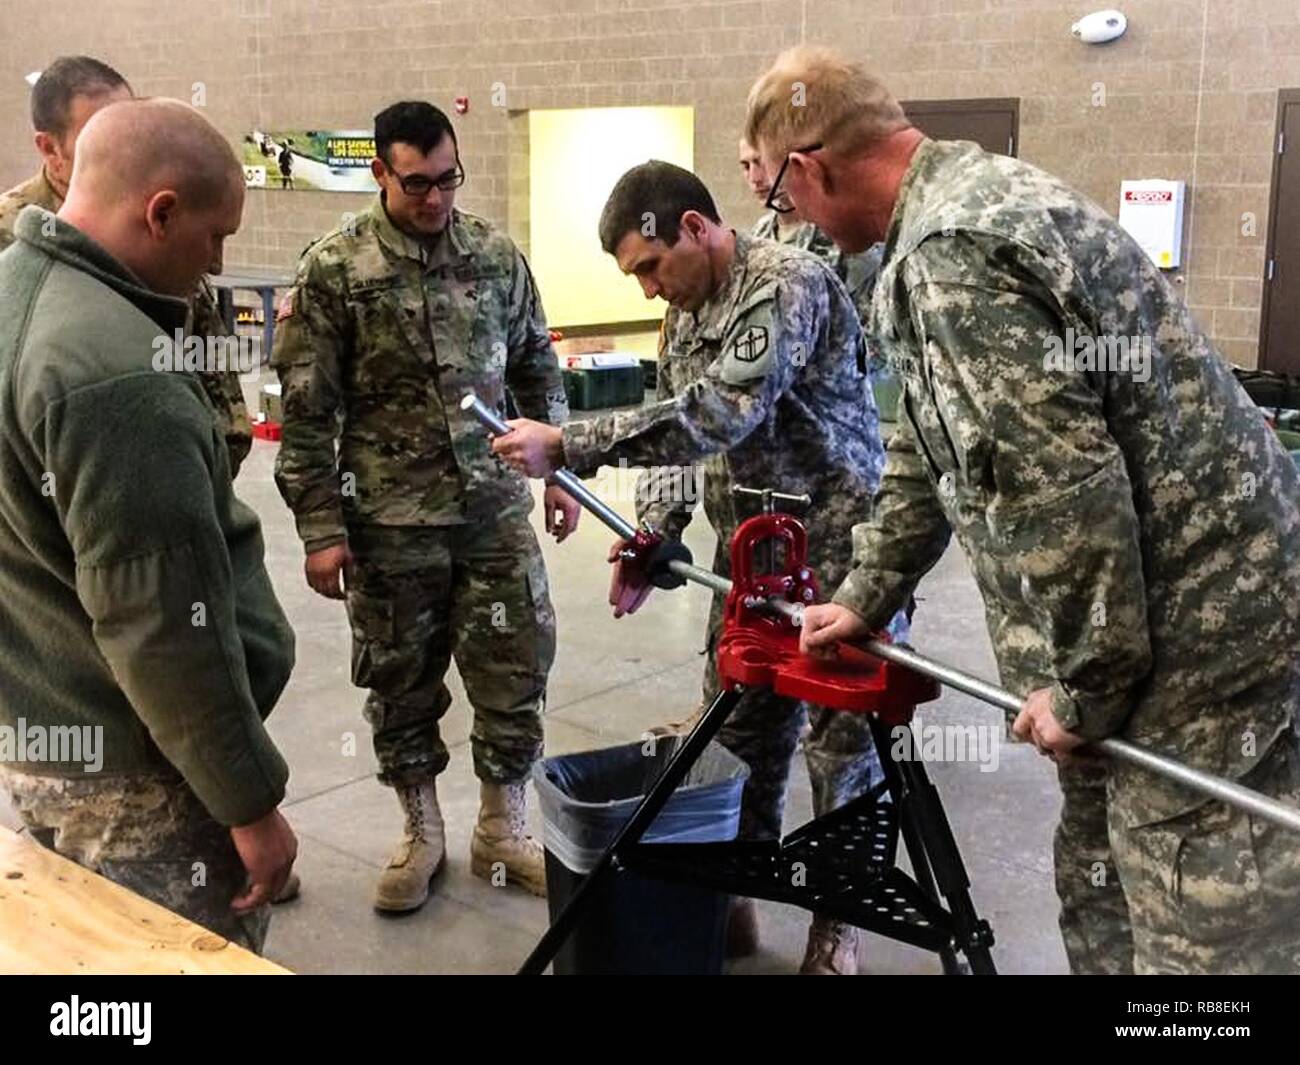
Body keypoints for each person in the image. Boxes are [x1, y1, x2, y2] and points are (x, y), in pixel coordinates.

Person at [748, 44, 1300, 974]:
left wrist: (1087, 689)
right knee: (1098, 883)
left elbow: (1064, 504)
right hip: (1143, 646)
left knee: (1203, 934)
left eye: (781, 196)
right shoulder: (961, 207)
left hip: (1199, 649)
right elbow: (938, 450)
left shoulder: (951, 256)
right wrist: (868, 590)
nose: (789, 216)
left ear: (811, 169)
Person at [491, 160, 908, 974]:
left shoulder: (789, 284)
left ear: (691, 227)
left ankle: (838, 925)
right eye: (632, 276)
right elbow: (682, 441)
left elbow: (718, 411)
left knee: (843, 749)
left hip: (843, 555)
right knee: (738, 736)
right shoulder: (684, 315)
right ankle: (735, 897)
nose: (648, 289)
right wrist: (655, 531)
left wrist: (567, 444)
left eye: (648, 267)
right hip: (749, 556)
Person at [0, 98, 298, 953]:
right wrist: (247, 803)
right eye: (215, 237)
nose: (216, 265)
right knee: (172, 966)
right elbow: (162, 624)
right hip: (142, 776)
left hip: (47, 737)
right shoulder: (118, 375)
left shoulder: (17, 295)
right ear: (159, 211)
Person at [272, 101, 578, 913]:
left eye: (448, 179)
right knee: (401, 682)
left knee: (515, 669)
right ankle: (420, 828)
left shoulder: (494, 256)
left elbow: (537, 367)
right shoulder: (334, 270)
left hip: (492, 514)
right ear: (379, 172)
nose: (436, 198)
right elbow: (306, 411)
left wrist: (562, 472)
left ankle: (501, 826)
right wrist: (320, 528)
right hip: (386, 521)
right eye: (417, 183)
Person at [0, 55, 253, 478]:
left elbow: (206, 347)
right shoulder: (11, 235)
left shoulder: (161, 216)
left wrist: (211, 464)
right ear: (49, 148)